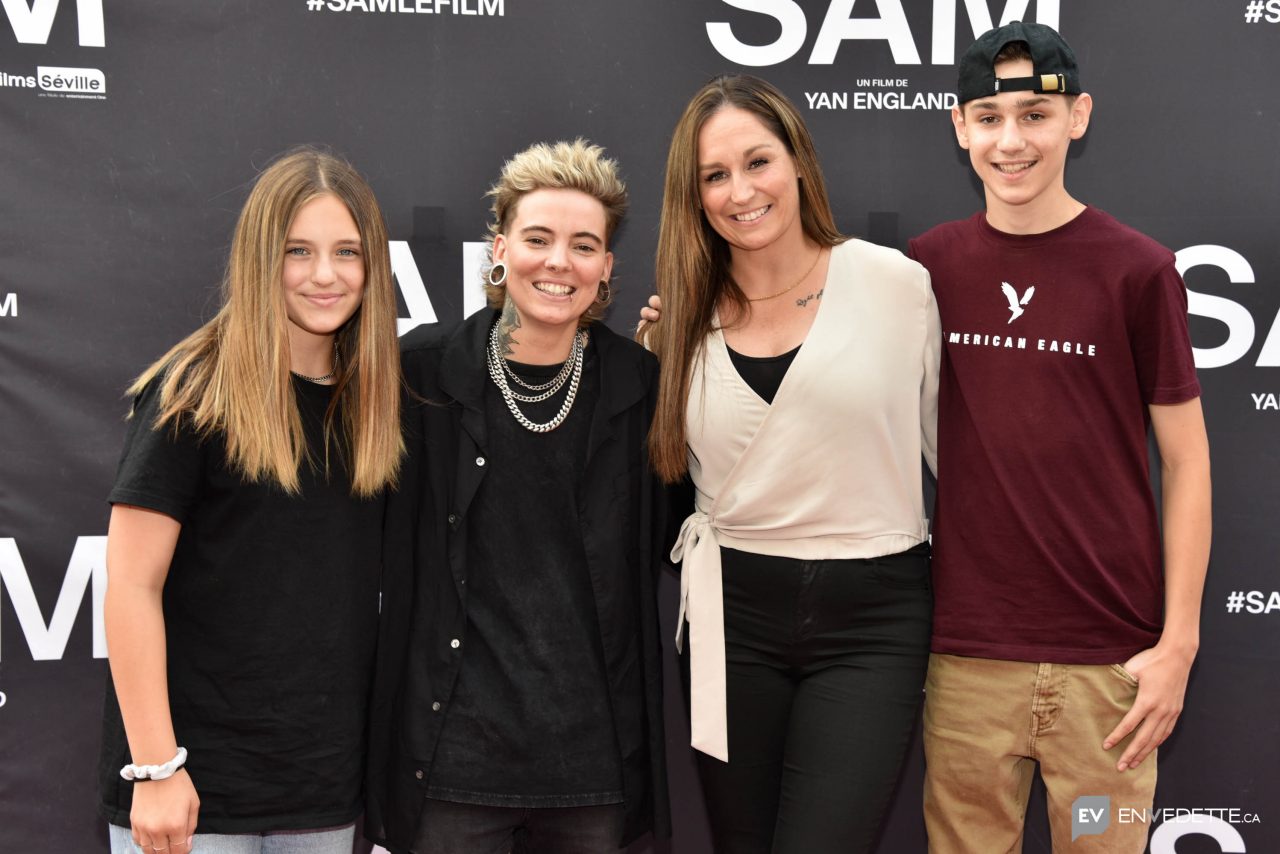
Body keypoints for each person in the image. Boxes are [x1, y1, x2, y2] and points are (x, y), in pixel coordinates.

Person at [908, 22, 1211, 852]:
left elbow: (1186, 463)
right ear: (959, 126)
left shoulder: (1139, 270)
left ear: (1077, 117)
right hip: (967, 664)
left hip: (1108, 677)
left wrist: (1176, 646)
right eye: (990, 117)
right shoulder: (925, 270)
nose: (1012, 141)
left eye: (1034, 117)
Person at [645, 75, 940, 854]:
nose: (740, 191)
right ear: (695, 195)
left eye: (758, 161)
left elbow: (962, 463)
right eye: (715, 175)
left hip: (873, 616)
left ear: (798, 161)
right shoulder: (679, 320)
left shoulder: (896, 286)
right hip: (728, 617)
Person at [364, 139, 670, 854]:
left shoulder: (639, 387)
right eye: (538, 238)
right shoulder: (421, 379)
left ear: (606, 270)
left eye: (583, 245)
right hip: (451, 767)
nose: (559, 262)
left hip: (593, 773)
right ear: (499, 250)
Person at [98, 147, 404, 854]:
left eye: (347, 252)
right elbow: (130, 586)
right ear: (260, 257)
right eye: (298, 250)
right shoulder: (193, 391)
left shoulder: (379, 406)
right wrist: (156, 767)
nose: (324, 275)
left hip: (322, 792)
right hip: (189, 789)